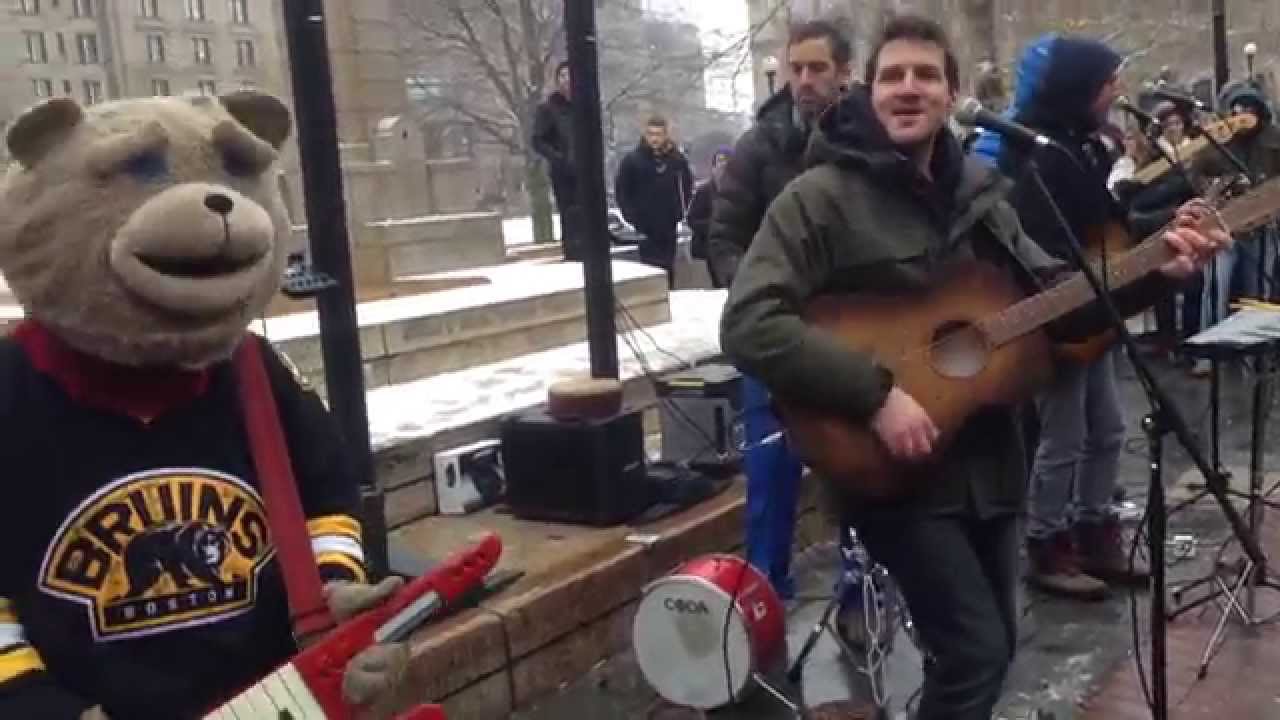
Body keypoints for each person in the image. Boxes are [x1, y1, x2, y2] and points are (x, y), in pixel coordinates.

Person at [720, 16, 1223, 718]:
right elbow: (748, 322)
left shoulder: (982, 193)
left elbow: (1058, 301)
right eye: (892, 75)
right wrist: (874, 396)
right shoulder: (819, 199)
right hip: (894, 472)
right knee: (975, 652)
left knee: (993, 648)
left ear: (951, 94)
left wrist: (1156, 273)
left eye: (926, 75)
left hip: (990, 463)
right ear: (868, 92)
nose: (908, 88)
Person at [974, 34, 1152, 599]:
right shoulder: (1041, 155)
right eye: (1106, 82)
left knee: (1110, 429)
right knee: (1064, 435)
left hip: (1093, 310)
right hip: (1060, 320)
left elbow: (1104, 221)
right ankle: (1047, 543)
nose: (1115, 92)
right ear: (1079, 88)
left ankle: (1095, 529)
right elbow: (1043, 247)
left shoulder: (1080, 146)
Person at [707, 19, 852, 600]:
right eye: (797, 68)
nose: (805, 80)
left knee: (856, 472)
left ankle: (860, 594)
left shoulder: (867, 139)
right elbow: (723, 237)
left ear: (845, 74)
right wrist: (761, 300)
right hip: (775, 339)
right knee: (769, 478)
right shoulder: (759, 145)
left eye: (818, 68)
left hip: (851, 334)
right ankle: (765, 595)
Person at [614, 115, 694, 288]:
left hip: (668, 224)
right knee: (649, 270)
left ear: (666, 135)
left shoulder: (677, 160)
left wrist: (680, 212)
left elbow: (686, 187)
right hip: (645, 225)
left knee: (668, 269)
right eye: (651, 134)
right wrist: (632, 217)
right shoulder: (633, 161)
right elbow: (622, 191)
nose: (655, 138)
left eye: (658, 134)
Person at [532, 61, 583, 261]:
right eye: (562, 76)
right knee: (570, 214)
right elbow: (537, 140)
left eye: (570, 75)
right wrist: (559, 159)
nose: (567, 80)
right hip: (563, 172)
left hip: (585, 170)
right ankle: (573, 253)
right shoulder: (548, 109)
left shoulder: (584, 106)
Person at [687, 147, 732, 287]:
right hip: (707, 249)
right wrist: (713, 225)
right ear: (713, 167)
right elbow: (692, 219)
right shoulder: (704, 191)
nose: (723, 165)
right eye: (720, 161)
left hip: (729, 247)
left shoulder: (737, 190)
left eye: (727, 161)